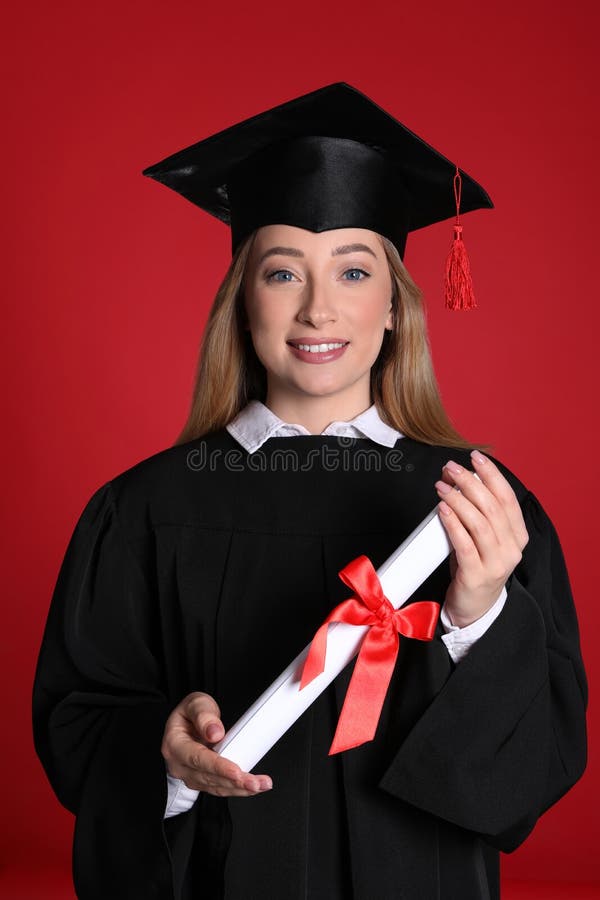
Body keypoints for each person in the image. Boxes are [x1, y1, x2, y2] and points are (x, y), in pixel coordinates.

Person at [33, 84, 587, 900]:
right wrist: (164, 751)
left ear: (395, 306)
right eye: (283, 271)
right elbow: (79, 720)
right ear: (242, 302)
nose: (319, 307)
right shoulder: (144, 510)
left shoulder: (476, 506)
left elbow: (535, 767)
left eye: (355, 271)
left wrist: (480, 614)